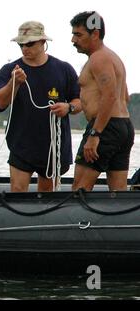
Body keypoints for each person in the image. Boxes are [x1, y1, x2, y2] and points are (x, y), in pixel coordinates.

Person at [0, 21, 81, 192]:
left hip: (52, 146)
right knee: (17, 191)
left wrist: (68, 108)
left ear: (43, 42)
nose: (25, 48)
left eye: (30, 43)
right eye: (21, 44)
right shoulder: (10, 69)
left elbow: (80, 101)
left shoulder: (63, 69)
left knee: (47, 196)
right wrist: (14, 83)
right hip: (21, 144)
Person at [70, 12, 134, 191]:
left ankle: (80, 221)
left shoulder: (99, 58)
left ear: (95, 34)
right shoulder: (113, 57)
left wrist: (95, 134)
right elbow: (125, 96)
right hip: (123, 126)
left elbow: (110, 96)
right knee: (118, 191)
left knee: (79, 188)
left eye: (78, 34)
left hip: (104, 128)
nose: (73, 40)